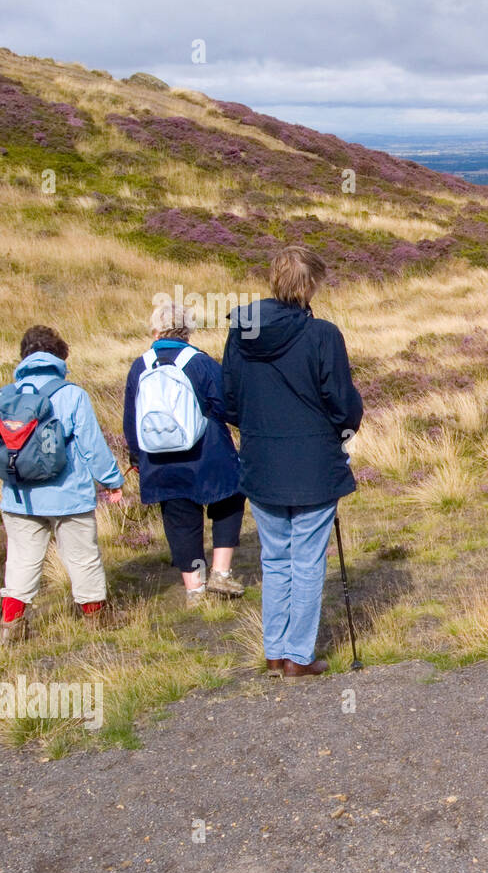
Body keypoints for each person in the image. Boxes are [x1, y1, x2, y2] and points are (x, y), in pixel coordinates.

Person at [223, 246, 364, 678]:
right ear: (310, 286)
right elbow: (343, 405)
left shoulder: (241, 331)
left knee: (274, 558)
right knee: (306, 562)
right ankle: (298, 658)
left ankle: (274, 651)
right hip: (314, 466)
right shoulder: (323, 335)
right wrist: (344, 423)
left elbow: (228, 401)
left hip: (261, 462)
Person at [1, 326, 124, 644]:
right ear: (59, 357)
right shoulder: (72, 395)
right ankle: (97, 620)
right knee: (82, 557)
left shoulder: (6, 395)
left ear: (24, 357)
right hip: (67, 496)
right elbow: (92, 446)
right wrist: (111, 481)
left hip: (18, 498)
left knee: (20, 560)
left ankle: (12, 626)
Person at [123, 299, 245, 608]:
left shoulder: (140, 365)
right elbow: (226, 405)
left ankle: (194, 590)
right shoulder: (200, 362)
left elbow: (130, 417)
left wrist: (137, 457)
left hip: (159, 458)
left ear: (155, 329)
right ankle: (220, 571)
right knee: (229, 499)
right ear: (187, 330)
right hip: (208, 451)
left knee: (179, 519)